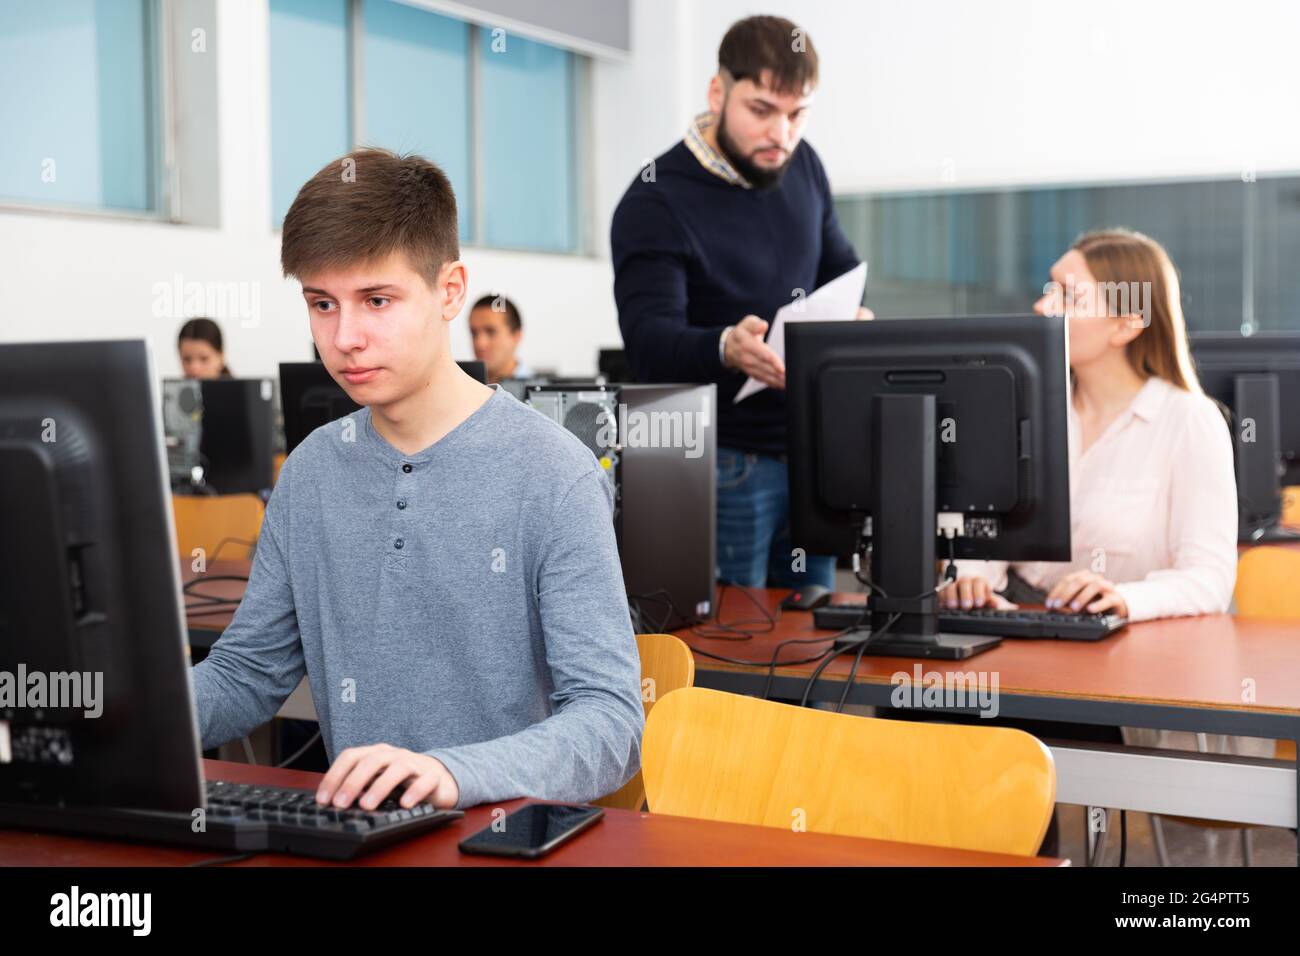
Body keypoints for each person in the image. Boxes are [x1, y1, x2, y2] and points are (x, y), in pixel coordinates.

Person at [192, 148, 643, 812]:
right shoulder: (311, 471)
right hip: (363, 836)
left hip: (502, 840)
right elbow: (244, 675)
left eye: (377, 300)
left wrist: (451, 774)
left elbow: (610, 724)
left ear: (450, 291)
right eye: (322, 304)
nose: (346, 337)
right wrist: (121, 716)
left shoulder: (553, 474)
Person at [611, 15, 870, 592]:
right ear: (717, 92)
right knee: (737, 654)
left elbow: (844, 268)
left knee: (814, 644)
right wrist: (725, 346)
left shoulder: (803, 167)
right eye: (761, 110)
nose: (781, 133)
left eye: (796, 114)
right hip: (724, 461)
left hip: (809, 455)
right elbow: (649, 344)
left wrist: (853, 317)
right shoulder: (656, 198)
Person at [946, 228, 1237, 622]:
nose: (1041, 306)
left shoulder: (1189, 421)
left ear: (1126, 325)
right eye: (1049, 289)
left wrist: (1123, 598)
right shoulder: (1019, 409)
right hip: (1015, 623)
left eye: (1068, 295)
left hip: (1125, 648)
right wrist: (968, 575)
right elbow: (984, 530)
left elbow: (1209, 580)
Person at [468, 293, 533, 382]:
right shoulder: (459, 389)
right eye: (474, 333)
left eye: (491, 332)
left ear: (516, 336)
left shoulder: (544, 393)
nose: (480, 344)